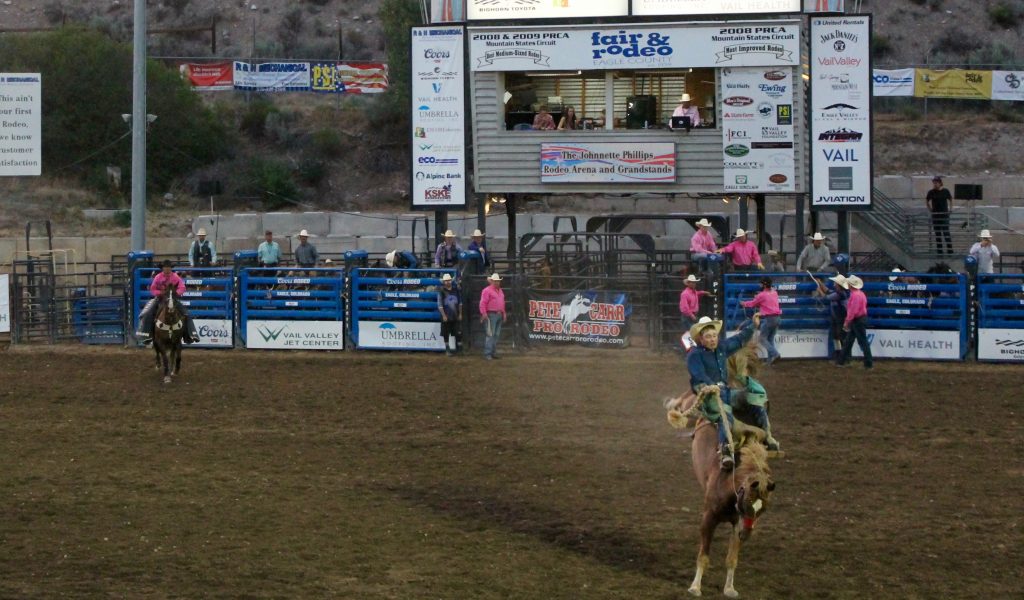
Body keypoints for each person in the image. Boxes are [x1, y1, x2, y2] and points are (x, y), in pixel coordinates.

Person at [686, 314, 762, 470]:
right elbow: (699, 375)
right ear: (701, 338)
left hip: (726, 391)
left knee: (753, 399)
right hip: (709, 395)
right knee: (725, 415)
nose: (713, 339)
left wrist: (753, 326)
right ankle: (725, 450)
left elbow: (738, 340)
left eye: (714, 336)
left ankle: (764, 436)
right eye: (708, 336)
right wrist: (711, 386)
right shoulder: (694, 355)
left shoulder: (721, 348)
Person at [135, 260, 197, 344]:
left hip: (172, 298)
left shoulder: (175, 277)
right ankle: (146, 335)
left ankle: (190, 335)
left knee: (186, 313)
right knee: (147, 313)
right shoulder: (158, 277)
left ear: (171, 268)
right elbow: (152, 289)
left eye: (169, 267)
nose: (167, 269)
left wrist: (175, 294)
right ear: (162, 268)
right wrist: (160, 293)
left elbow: (182, 287)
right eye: (165, 267)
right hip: (160, 299)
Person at [742, 277, 783, 365]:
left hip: (770, 318)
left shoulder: (762, 295)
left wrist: (744, 303)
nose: (759, 285)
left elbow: (753, 303)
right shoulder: (774, 293)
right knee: (770, 338)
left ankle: (775, 354)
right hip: (777, 318)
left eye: (761, 284)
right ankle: (770, 360)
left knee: (762, 338)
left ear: (764, 285)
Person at [837, 275, 873, 369]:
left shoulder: (855, 295)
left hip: (857, 320)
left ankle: (868, 364)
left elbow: (852, 311)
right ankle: (841, 361)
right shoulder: (860, 294)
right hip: (860, 319)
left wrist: (847, 322)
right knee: (851, 341)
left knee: (860, 342)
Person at [816, 273, 849, 363]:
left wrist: (819, 290)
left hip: (841, 318)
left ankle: (844, 357)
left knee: (841, 337)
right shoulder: (838, 293)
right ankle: (839, 355)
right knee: (836, 336)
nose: (834, 284)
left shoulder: (840, 294)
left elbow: (826, 297)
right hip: (837, 317)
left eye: (835, 283)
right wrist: (820, 283)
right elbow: (827, 291)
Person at [479, 273, 506, 360]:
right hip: (491, 314)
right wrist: (484, 313)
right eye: (495, 281)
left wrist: (504, 313)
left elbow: (502, 303)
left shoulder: (500, 290)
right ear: (491, 281)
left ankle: (492, 352)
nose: (497, 283)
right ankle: (488, 353)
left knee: (496, 334)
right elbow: (482, 303)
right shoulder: (487, 290)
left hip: (498, 314)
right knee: (491, 334)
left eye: (498, 281)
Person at [926, 176, 953, 255]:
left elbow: (950, 199)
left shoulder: (945, 191)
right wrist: (930, 210)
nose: (935, 184)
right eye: (934, 182)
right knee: (938, 234)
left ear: (940, 183)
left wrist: (950, 209)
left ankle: (950, 250)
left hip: (944, 215)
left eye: (936, 182)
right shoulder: (931, 192)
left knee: (946, 233)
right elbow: (927, 201)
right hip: (935, 216)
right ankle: (940, 251)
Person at [437, 273, 462, 356]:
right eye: (446, 281)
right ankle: (448, 349)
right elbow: (440, 305)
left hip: (454, 314)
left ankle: (458, 348)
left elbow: (460, 303)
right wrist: (444, 315)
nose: (447, 282)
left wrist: (460, 314)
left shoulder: (456, 290)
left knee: (457, 331)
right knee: (446, 333)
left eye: (448, 280)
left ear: (451, 281)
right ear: (444, 282)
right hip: (447, 315)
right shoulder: (441, 291)